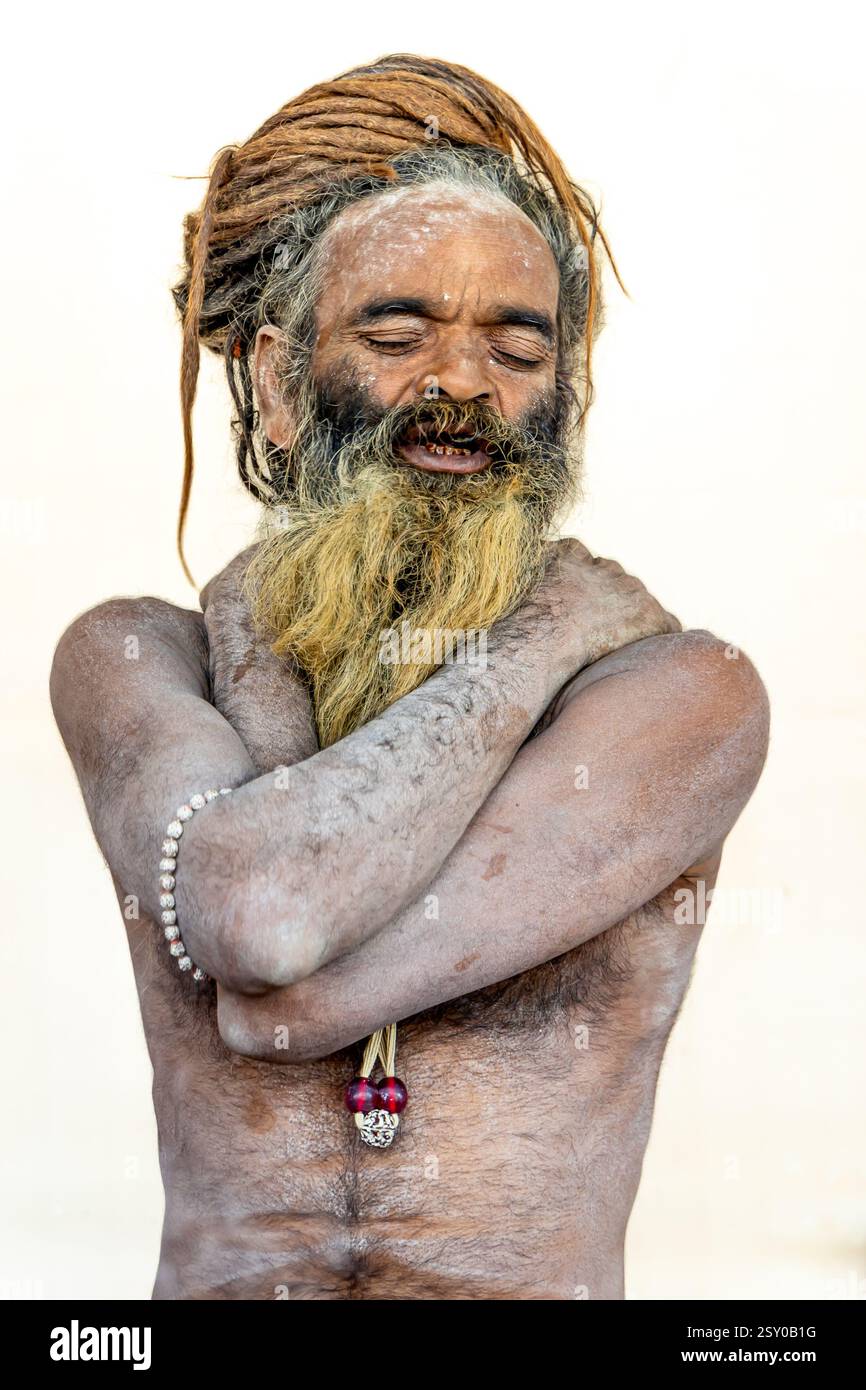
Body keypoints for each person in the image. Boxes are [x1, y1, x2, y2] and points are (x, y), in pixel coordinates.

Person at [50, 54, 769, 1300]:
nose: (460, 387)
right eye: (396, 332)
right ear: (278, 384)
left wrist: (548, 644)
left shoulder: (681, 696)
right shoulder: (135, 659)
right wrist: (536, 637)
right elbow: (264, 918)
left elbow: (278, 995)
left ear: (564, 398)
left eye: (517, 348)